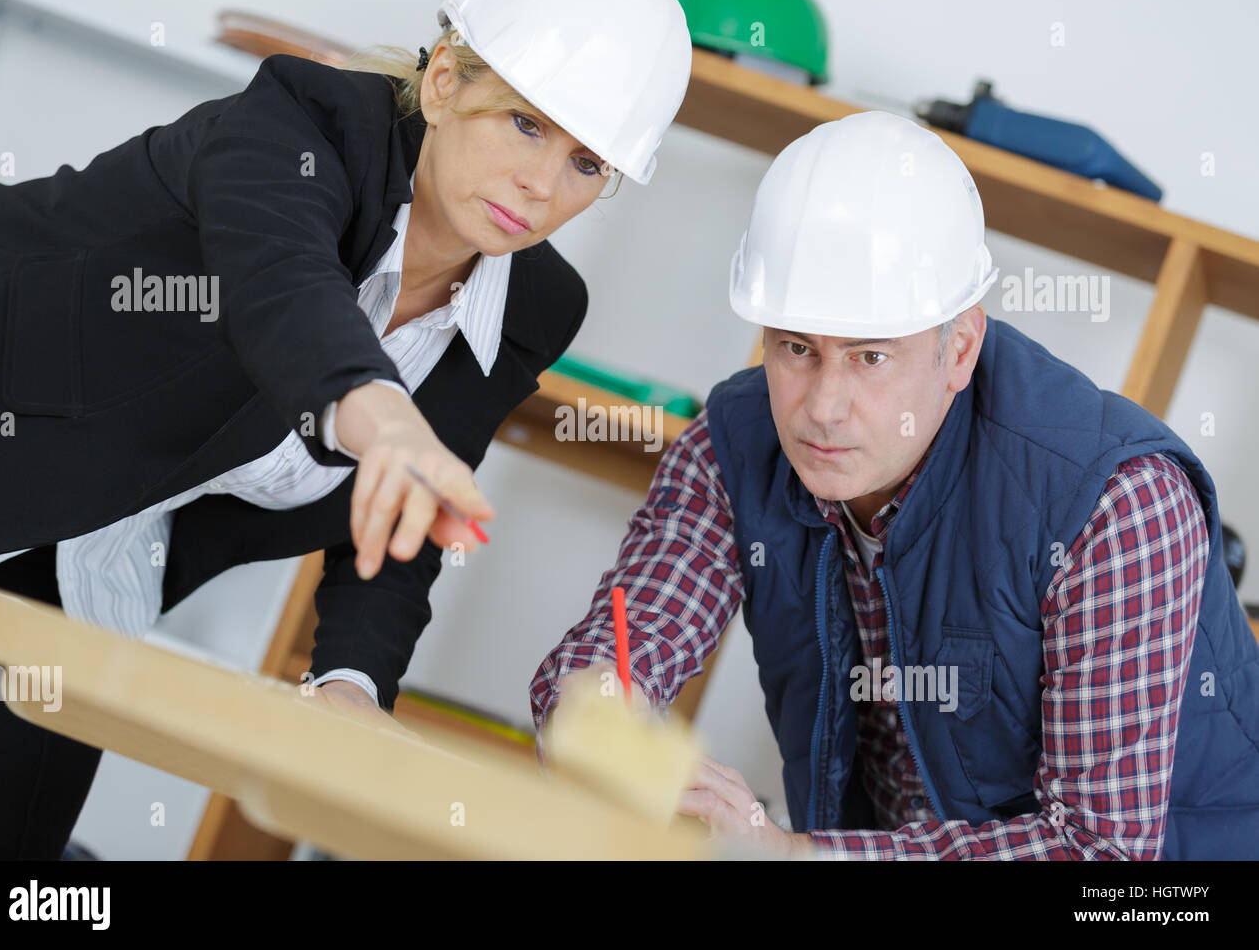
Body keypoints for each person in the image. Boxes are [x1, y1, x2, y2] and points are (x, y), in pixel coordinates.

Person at [0, 0, 693, 858]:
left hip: (72, 579)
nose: (542, 185)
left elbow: (411, 516)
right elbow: (282, 289)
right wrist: (380, 417)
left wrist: (351, 682)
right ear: (448, 83)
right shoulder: (301, 123)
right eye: (526, 125)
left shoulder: (535, 304)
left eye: (586, 163)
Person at [530, 111, 1259, 860]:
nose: (822, 407)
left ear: (959, 349)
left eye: (870, 357)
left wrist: (791, 855)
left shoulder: (1115, 505)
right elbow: (620, 646)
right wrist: (603, 727)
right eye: (795, 347)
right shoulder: (731, 445)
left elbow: (1097, 854)